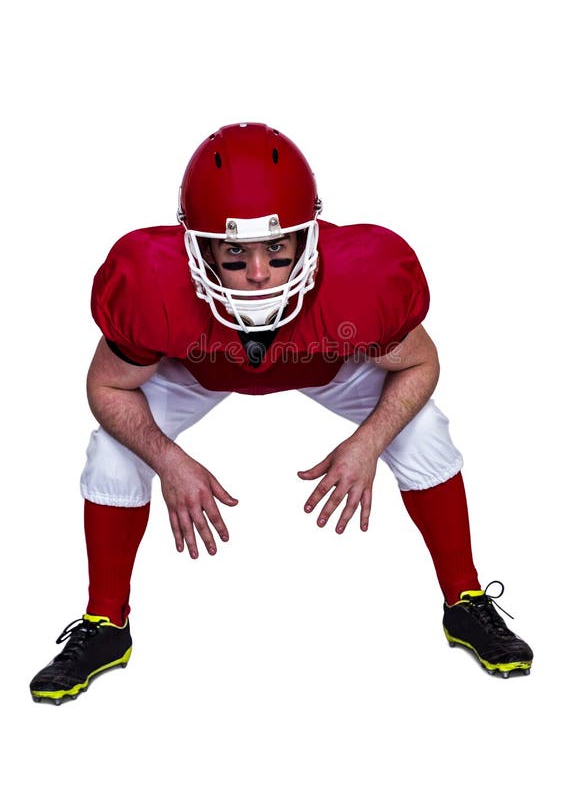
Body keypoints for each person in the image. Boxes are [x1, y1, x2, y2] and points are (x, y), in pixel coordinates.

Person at [30, 122, 533, 704]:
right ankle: (104, 626)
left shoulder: (359, 282)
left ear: (309, 235)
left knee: (422, 431)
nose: (262, 273)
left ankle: (465, 602)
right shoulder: (153, 285)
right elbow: (107, 387)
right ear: (198, 247)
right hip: (197, 366)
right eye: (235, 252)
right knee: (113, 448)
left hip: (329, 361)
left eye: (276, 247)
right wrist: (168, 460)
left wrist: (367, 442)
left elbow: (422, 363)